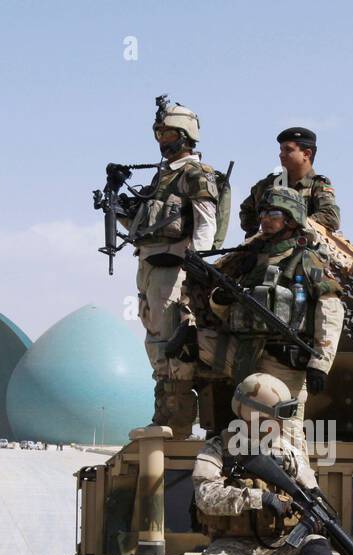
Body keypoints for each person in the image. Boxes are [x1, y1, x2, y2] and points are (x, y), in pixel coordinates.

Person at [182, 373, 340, 555]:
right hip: (231, 549)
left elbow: (312, 492)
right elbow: (206, 496)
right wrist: (259, 498)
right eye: (277, 416)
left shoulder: (288, 453)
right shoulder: (218, 449)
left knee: (317, 551)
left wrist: (314, 513)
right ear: (255, 415)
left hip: (279, 548)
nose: (281, 423)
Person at [197, 186, 353, 449]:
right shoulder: (251, 260)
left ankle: (297, 474)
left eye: (273, 214)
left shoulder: (305, 259)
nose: (264, 220)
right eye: (262, 214)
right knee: (189, 341)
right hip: (245, 354)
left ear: (291, 220)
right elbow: (233, 315)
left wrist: (320, 363)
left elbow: (330, 309)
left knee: (285, 439)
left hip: (283, 362)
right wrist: (220, 300)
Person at [126, 95, 222, 438]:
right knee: (155, 338)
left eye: (168, 134)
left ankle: (177, 418)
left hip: (175, 267)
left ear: (185, 135)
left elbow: (206, 223)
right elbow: (147, 226)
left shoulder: (196, 174)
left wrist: (197, 263)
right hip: (150, 266)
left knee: (172, 341)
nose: (163, 142)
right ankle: (163, 413)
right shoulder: (162, 178)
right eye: (159, 135)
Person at [239, 127, 341, 237]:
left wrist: (293, 224)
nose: (281, 155)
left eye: (288, 150)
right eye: (281, 150)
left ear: (306, 154)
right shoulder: (268, 185)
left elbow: (331, 217)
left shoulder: (317, 186)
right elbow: (247, 212)